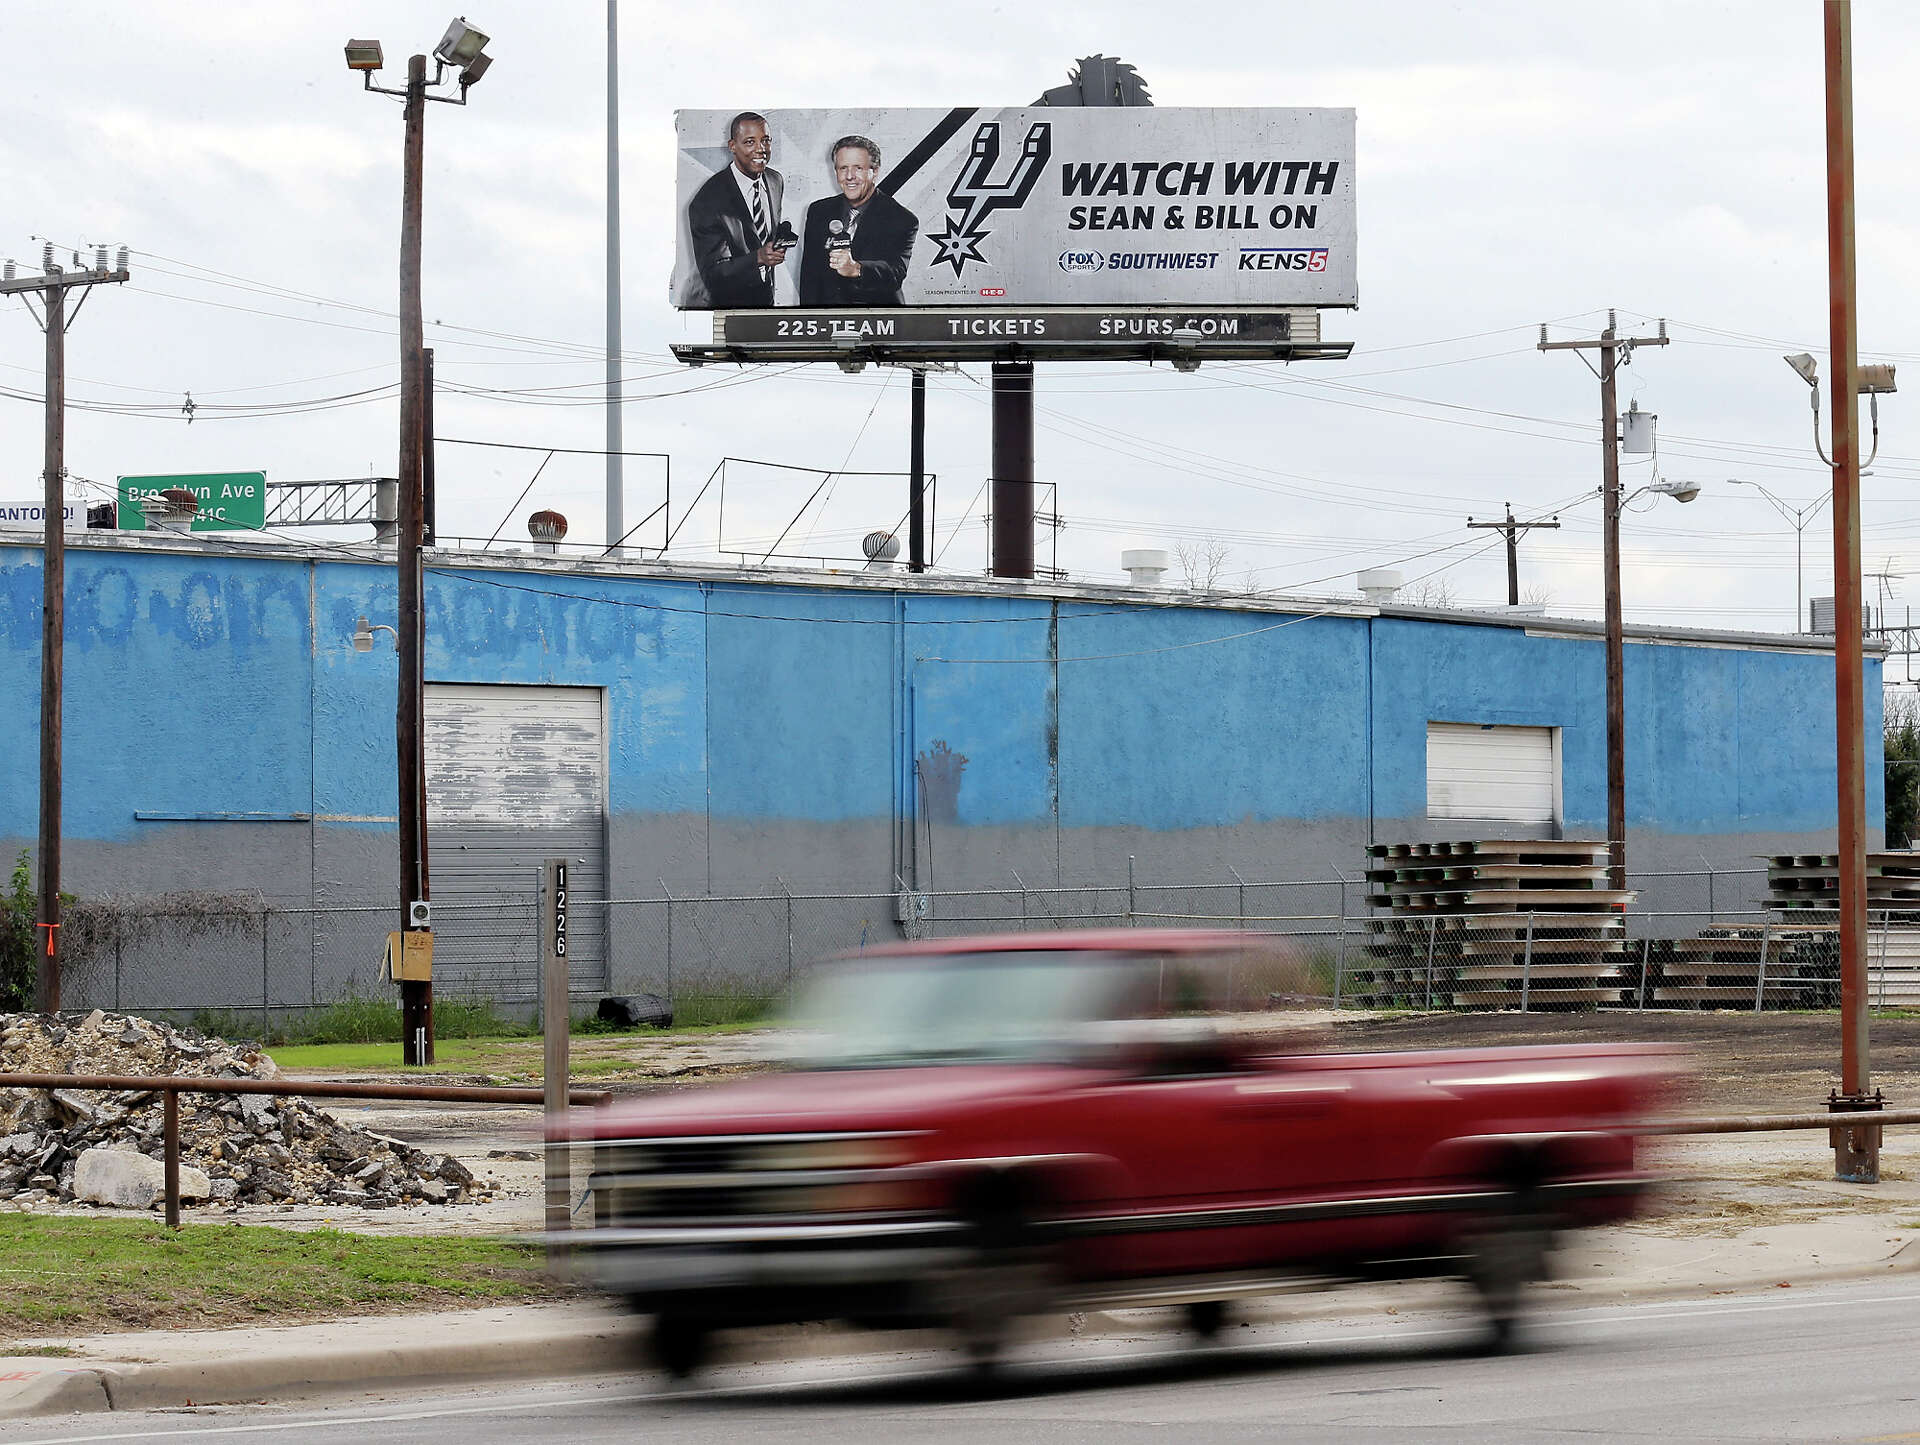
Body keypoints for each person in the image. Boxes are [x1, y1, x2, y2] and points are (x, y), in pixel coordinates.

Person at [800, 135, 919, 307]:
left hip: (878, 319)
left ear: (875, 171)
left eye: (858, 168)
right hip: (828, 319)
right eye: (843, 168)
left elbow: (895, 273)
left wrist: (857, 269)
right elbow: (809, 277)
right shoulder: (818, 211)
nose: (849, 176)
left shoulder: (902, 219)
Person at [687, 112, 788, 308]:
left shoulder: (775, 180)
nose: (761, 149)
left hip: (767, 306)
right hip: (732, 310)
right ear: (732, 146)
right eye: (750, 142)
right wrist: (758, 258)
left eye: (766, 141)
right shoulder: (707, 201)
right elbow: (713, 274)